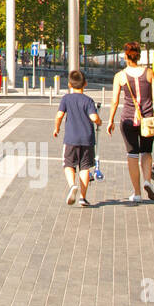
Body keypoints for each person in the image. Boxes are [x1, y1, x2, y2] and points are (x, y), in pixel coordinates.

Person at [107, 41, 154, 203]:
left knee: (132, 154)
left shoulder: (120, 76)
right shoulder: (149, 73)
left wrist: (110, 120)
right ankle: (147, 180)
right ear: (138, 55)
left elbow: (114, 101)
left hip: (128, 120)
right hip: (148, 120)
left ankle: (137, 192)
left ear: (126, 56)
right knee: (146, 152)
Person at [53, 69, 101, 207]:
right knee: (85, 167)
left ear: (69, 84)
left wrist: (57, 128)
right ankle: (83, 198)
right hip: (87, 138)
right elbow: (94, 117)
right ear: (85, 84)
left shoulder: (66, 99)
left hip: (71, 138)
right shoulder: (88, 101)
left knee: (68, 164)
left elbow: (59, 115)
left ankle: (72, 185)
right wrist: (99, 121)